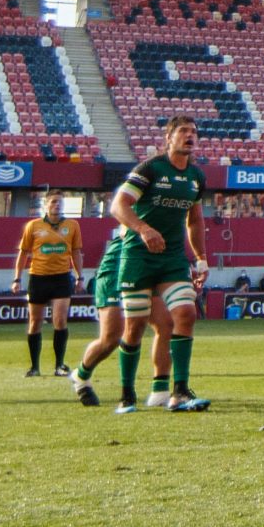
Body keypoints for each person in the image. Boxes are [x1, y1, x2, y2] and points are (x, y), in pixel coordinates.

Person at [110, 115, 212, 414]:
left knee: (185, 312)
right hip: (137, 257)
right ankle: (127, 394)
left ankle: (179, 391)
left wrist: (201, 258)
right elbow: (119, 205)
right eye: (183, 131)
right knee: (135, 326)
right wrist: (143, 229)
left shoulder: (196, 177)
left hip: (172, 258)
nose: (190, 136)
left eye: (194, 131)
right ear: (169, 137)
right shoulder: (150, 169)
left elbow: (194, 220)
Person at [11, 191, 82, 377]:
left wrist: (79, 276)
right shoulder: (33, 226)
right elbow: (23, 253)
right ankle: (34, 367)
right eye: (53, 202)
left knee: (59, 320)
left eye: (60, 202)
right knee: (35, 322)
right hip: (38, 278)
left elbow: (75, 252)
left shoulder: (72, 225)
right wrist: (17, 278)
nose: (57, 205)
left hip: (61, 278)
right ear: (46, 205)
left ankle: (59, 365)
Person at [66, 225, 135, 407]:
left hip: (147, 265)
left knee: (166, 324)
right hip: (116, 270)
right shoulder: (139, 201)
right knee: (111, 338)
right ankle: (81, 375)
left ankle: (168, 391)